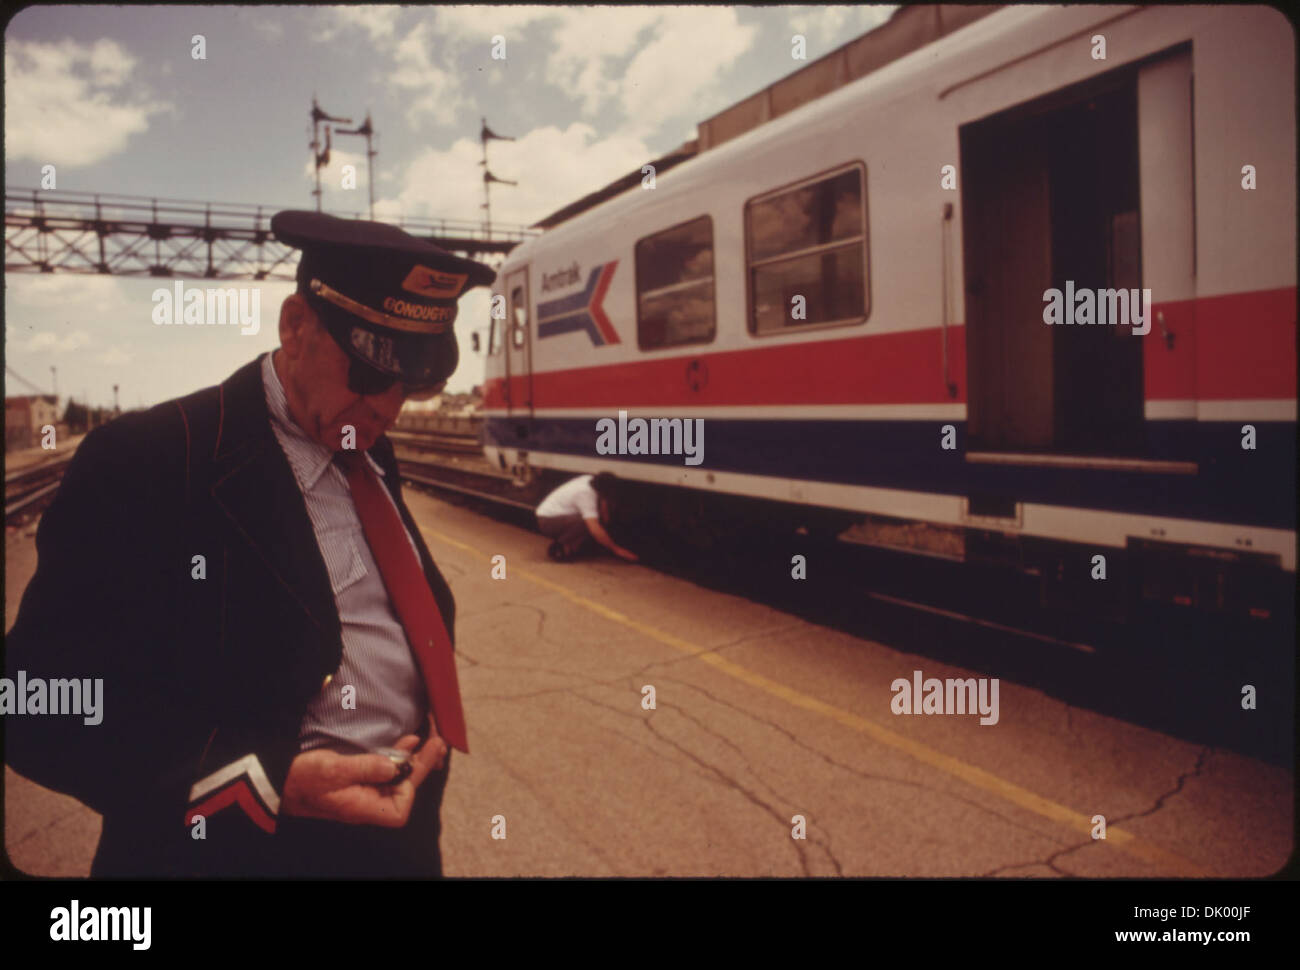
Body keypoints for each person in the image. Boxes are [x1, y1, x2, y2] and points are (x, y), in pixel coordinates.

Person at [3, 211, 494, 878]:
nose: (390, 406)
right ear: (296, 327)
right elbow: (36, 702)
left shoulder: (364, 441)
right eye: (372, 372)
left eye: (414, 382)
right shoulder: (153, 458)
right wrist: (267, 780)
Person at [536, 472, 638, 562]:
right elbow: (594, 528)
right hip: (547, 521)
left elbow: (604, 499)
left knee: (592, 519)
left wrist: (605, 516)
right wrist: (617, 550)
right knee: (587, 523)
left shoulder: (590, 479)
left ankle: (577, 545)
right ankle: (561, 548)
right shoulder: (585, 494)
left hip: (553, 514)